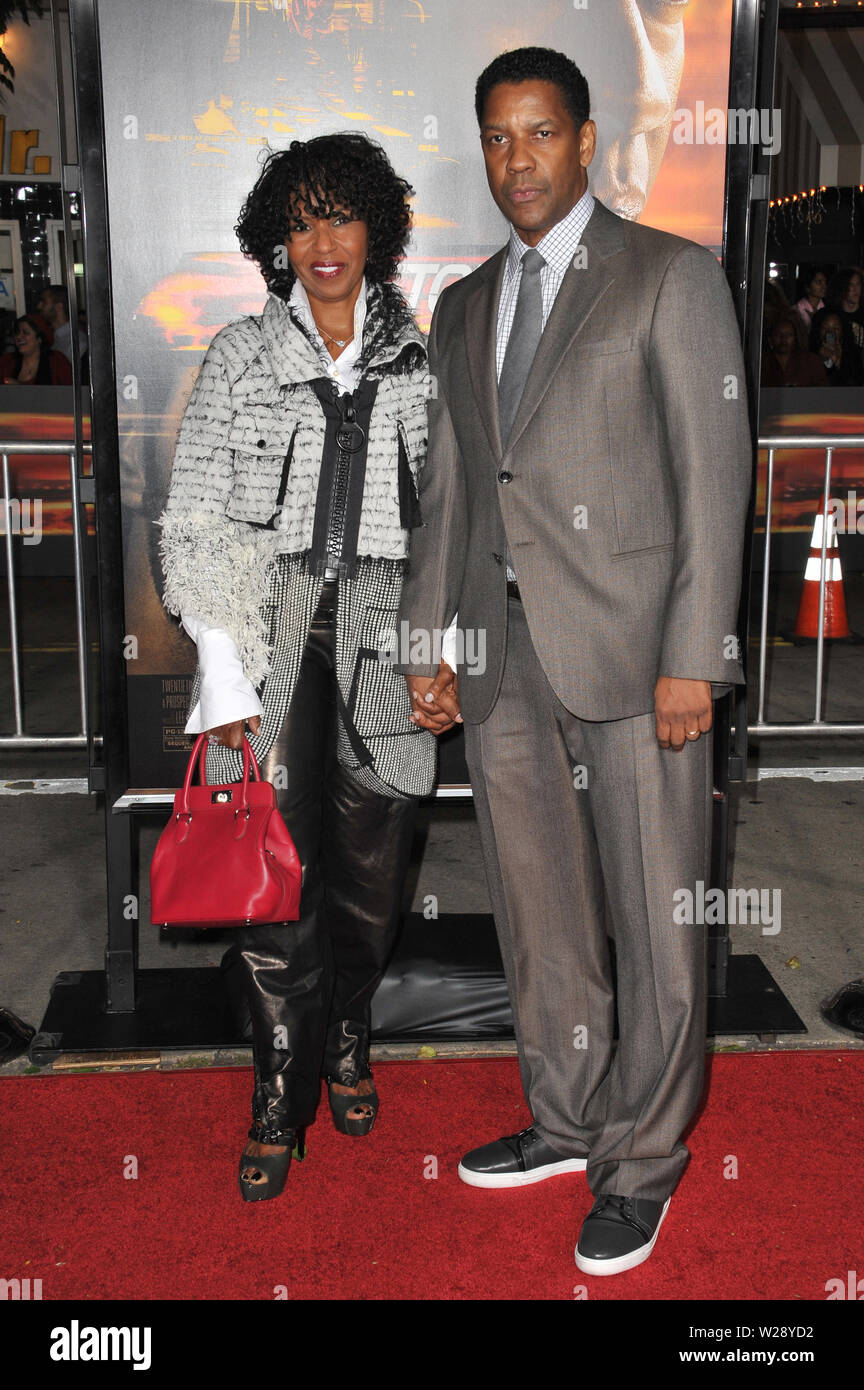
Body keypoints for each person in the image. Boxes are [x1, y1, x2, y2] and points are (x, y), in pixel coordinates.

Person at [396, 46, 752, 1276]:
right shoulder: (463, 305)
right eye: (498, 138)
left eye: (540, 133)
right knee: (540, 911)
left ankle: (642, 1161)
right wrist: (430, 641)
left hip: (638, 657)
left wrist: (695, 655)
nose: (518, 160)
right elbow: (451, 495)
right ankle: (567, 1118)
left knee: (656, 917)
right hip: (501, 658)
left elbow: (715, 479)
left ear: (586, 141)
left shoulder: (669, 276)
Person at [158, 133, 442, 1201]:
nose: (324, 241)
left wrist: (445, 648)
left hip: (386, 627)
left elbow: (455, 524)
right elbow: (194, 518)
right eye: (303, 220)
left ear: (378, 229)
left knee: (374, 870)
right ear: (278, 240)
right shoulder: (239, 354)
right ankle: (280, 1087)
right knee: (273, 872)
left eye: (343, 215)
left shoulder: (420, 360)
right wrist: (222, 672)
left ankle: (349, 1031)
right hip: (264, 629)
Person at [0, 314, 73, 385]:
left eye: (26, 333)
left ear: (39, 338)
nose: (19, 337)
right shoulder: (6, 362)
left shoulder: (57, 361)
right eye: (17, 333)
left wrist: (20, 389)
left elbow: (70, 390)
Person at [761, 311, 827, 387]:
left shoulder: (811, 361)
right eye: (778, 335)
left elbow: (822, 390)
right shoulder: (761, 363)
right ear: (770, 339)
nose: (783, 339)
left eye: (789, 335)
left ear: (796, 337)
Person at [809, 306, 864, 387]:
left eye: (836, 329)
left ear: (842, 331)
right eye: (825, 328)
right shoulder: (809, 352)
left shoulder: (853, 353)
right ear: (818, 329)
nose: (830, 332)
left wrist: (838, 363)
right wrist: (821, 361)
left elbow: (856, 384)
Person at [35, 285, 87, 368]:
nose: (39, 306)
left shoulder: (76, 343)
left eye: (44, 302)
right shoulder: (56, 338)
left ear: (59, 306)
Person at [824, 266, 864, 375]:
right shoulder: (830, 316)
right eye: (851, 285)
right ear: (842, 287)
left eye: (858, 284)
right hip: (837, 375)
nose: (856, 289)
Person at [794, 267, 826, 332]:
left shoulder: (826, 309)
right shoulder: (796, 310)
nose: (824, 286)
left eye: (825, 282)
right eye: (819, 282)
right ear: (807, 287)